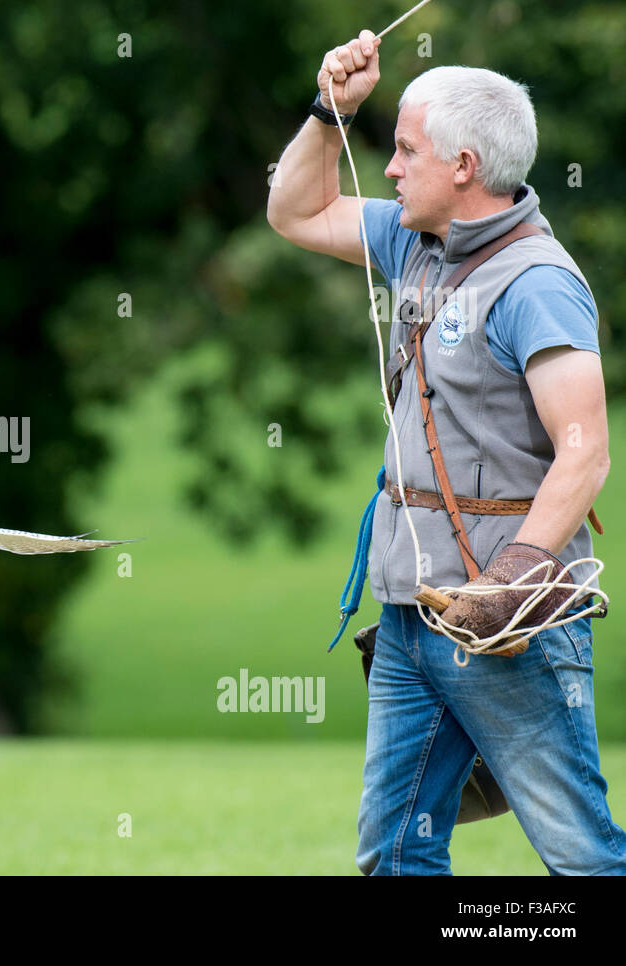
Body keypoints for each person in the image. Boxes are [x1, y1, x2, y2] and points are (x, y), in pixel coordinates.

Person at [266, 29, 626, 875]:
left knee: (584, 857)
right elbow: (294, 210)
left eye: (404, 149)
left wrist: (514, 582)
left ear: (463, 165)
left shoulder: (539, 284)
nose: (389, 168)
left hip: (509, 622)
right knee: (393, 855)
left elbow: (587, 451)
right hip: (407, 609)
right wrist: (330, 113)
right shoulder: (411, 241)